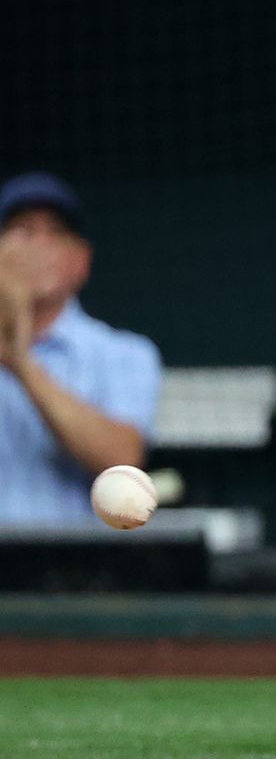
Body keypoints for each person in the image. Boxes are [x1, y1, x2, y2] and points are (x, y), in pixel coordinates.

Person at [0, 173, 161, 524]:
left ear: (81, 260)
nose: (37, 247)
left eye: (55, 232)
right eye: (23, 230)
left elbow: (121, 461)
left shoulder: (123, 353)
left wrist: (21, 363)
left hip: (72, 571)